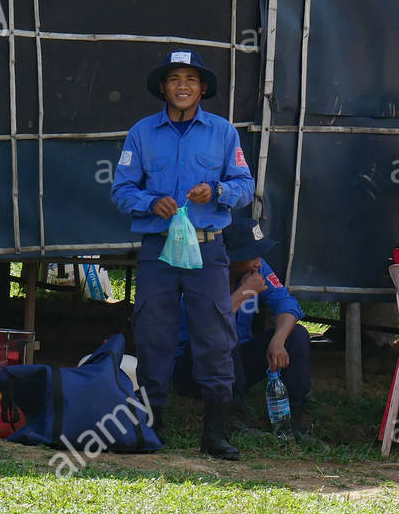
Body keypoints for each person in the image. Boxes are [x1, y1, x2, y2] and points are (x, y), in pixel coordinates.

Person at [111, 49, 254, 460]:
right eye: (175, 79)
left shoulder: (224, 133)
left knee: (214, 333)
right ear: (163, 87)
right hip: (158, 251)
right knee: (154, 333)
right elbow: (121, 191)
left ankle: (215, 433)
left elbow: (245, 186)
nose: (183, 86)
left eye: (191, 79)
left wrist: (219, 191)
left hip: (208, 251)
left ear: (203, 88)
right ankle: (152, 427)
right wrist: (149, 202)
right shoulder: (141, 133)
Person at [172, 212, 312, 431]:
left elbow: (287, 305)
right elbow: (210, 327)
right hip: (193, 367)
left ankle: (292, 419)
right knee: (223, 335)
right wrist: (244, 293)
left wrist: (278, 339)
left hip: (237, 362)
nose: (258, 261)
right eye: (251, 255)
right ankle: (231, 416)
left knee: (297, 335)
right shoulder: (201, 273)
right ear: (229, 257)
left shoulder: (258, 268)